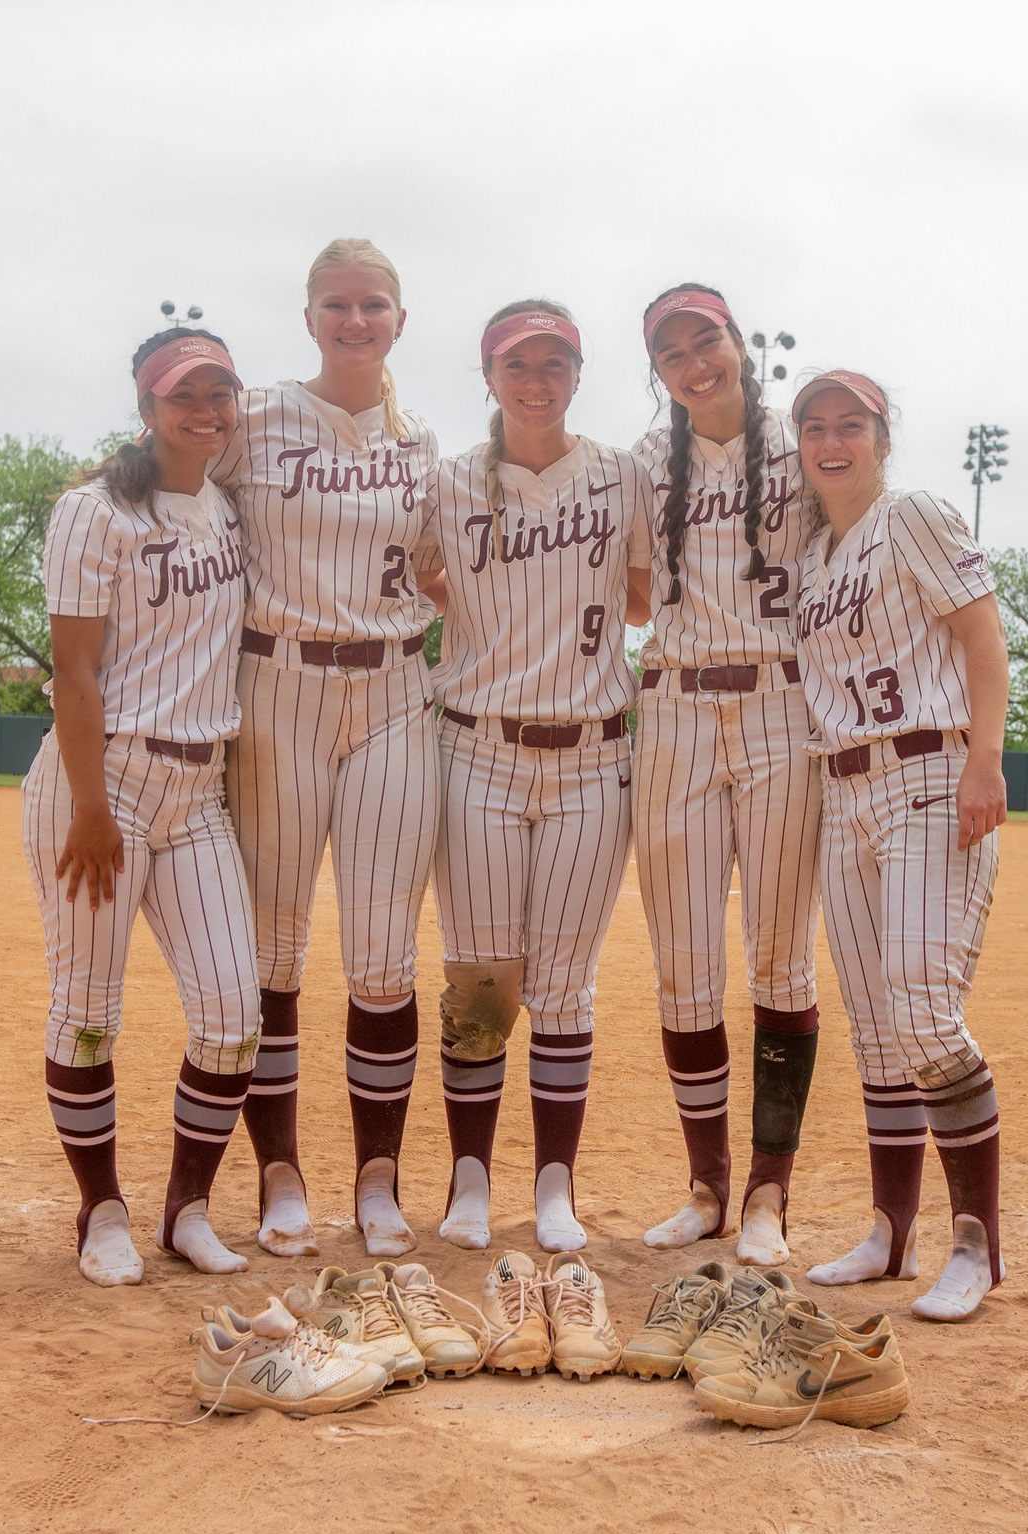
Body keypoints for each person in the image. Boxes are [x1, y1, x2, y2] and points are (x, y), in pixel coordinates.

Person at [209, 239, 443, 1259]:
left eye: (374, 305)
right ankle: (279, 1173)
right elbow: (168, 491)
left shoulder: (421, 441)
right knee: (272, 950)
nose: (355, 321)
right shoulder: (252, 418)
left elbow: (445, 567)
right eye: (336, 305)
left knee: (385, 954)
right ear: (307, 317)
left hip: (394, 687)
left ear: (399, 320)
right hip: (277, 687)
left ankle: (379, 1182)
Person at [22, 327, 260, 1286]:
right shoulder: (93, 512)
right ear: (146, 404)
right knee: (88, 1010)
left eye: (219, 392)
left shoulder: (227, 510)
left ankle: (186, 1209)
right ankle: (101, 1210)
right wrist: (87, 805)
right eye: (184, 394)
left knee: (233, 1014)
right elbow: (72, 670)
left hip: (198, 789)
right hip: (103, 781)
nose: (205, 410)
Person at [414, 300, 653, 1253]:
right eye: (518, 364)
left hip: (594, 754)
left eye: (554, 363)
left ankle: (553, 1188)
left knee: (563, 984)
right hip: (475, 745)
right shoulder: (448, 482)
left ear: (576, 375)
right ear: (489, 377)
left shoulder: (618, 476)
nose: (536, 380)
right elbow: (414, 573)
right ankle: (470, 1184)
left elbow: (638, 595)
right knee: (480, 978)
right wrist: (474, 609)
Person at [786, 369, 1010, 1321]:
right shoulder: (809, 557)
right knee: (877, 1029)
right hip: (844, 789)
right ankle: (890, 1232)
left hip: (929, 771)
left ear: (882, 436)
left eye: (852, 425)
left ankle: (975, 1246)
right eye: (815, 427)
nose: (833, 441)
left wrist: (985, 758)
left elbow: (981, 633)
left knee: (921, 1012)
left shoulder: (912, 512)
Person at [629, 285, 823, 1266]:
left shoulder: (806, 445)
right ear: (657, 372)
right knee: (682, 962)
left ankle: (767, 1192)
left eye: (702, 339)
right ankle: (705, 1184)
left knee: (780, 957)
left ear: (736, 342)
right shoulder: (635, 468)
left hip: (781, 704)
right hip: (668, 708)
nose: (692, 362)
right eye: (670, 351)